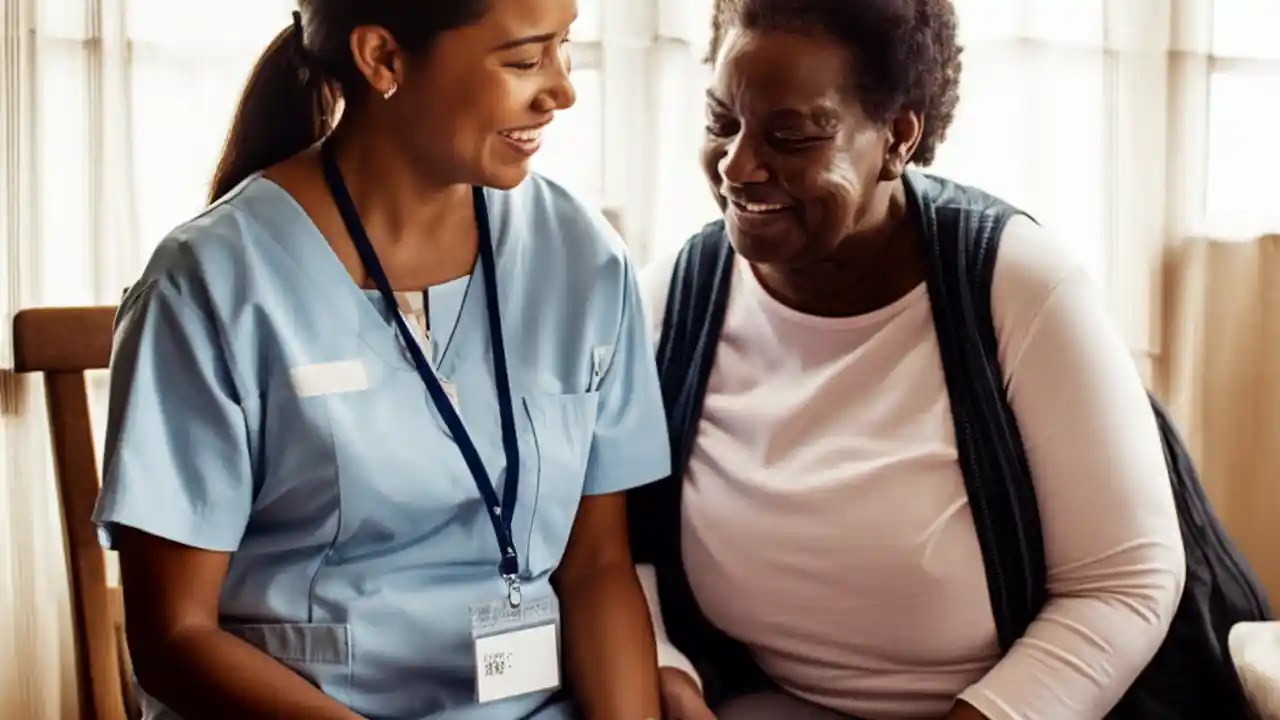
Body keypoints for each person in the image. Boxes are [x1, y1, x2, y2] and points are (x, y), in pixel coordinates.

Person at [92, 2, 670, 718]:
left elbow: (598, 568)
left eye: (564, 45)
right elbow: (175, 637)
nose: (562, 90)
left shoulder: (582, 257)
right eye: (524, 59)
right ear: (383, 59)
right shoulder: (209, 284)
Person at [632, 1, 1186, 719]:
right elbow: (620, 548)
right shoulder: (679, 296)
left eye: (790, 136)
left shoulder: (1017, 288)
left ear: (897, 137)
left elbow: (1124, 584)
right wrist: (666, 669)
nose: (737, 165)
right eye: (720, 122)